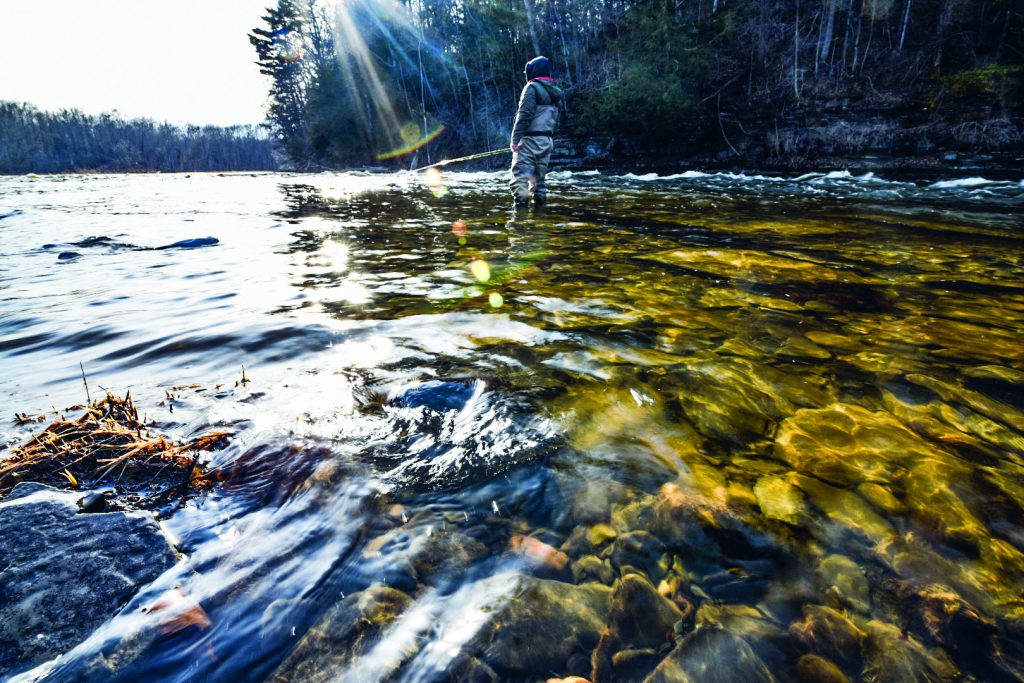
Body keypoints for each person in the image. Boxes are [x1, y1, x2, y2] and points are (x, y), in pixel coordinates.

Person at [509, 56, 562, 207]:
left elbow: (524, 115)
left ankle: (519, 221)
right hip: (546, 142)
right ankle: (539, 219)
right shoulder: (555, 92)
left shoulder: (531, 88)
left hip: (529, 142)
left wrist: (514, 140)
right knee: (539, 183)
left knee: (519, 181)